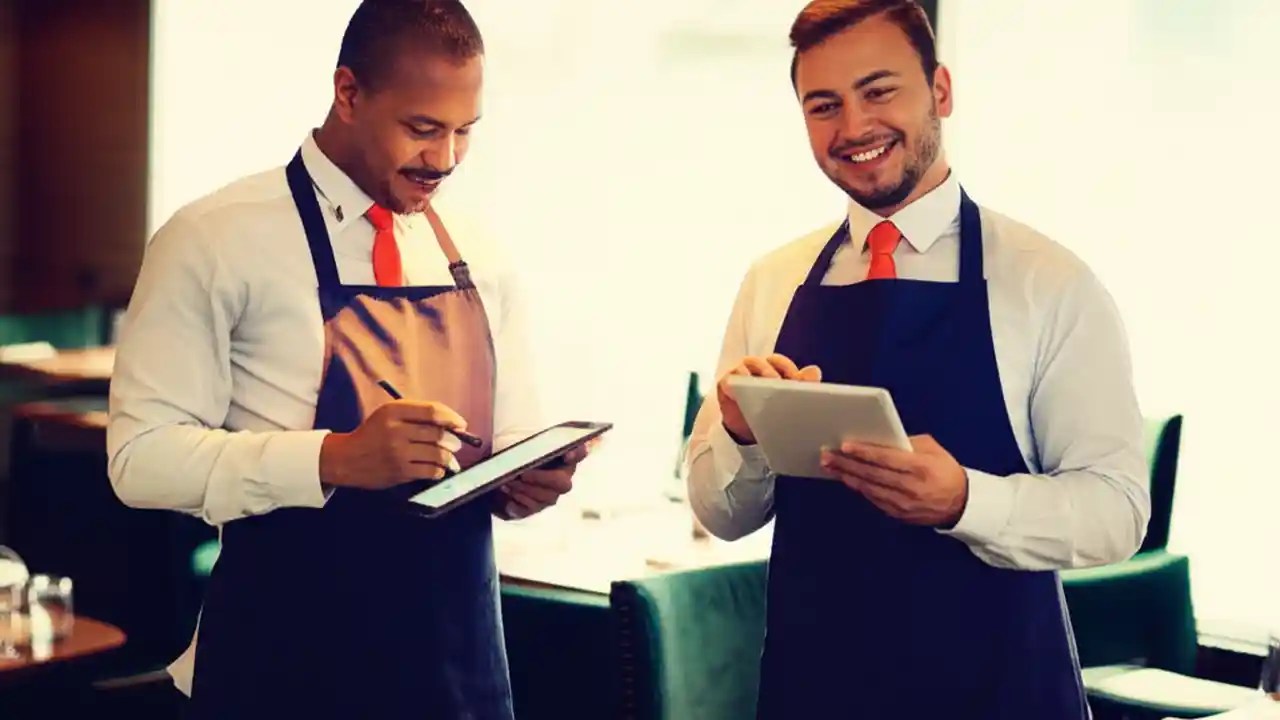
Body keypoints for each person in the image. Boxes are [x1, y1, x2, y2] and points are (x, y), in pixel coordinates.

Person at [106, 1, 584, 717]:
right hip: (285, 668)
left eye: (464, 132)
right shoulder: (213, 238)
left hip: (456, 671)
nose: (444, 159)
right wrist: (332, 458)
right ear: (349, 93)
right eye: (422, 129)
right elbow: (138, 460)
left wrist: (525, 479)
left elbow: (512, 434)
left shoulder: (483, 255)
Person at [685, 1, 1150, 717]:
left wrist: (966, 500)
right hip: (816, 691)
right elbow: (722, 515)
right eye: (823, 105)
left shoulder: (1048, 282)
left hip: (999, 694)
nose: (854, 128)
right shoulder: (772, 281)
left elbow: (1117, 513)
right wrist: (742, 436)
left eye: (879, 91)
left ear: (941, 91)